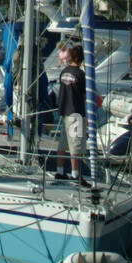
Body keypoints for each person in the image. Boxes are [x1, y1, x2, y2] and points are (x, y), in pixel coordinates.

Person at [54, 44, 86, 182]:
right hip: (76, 113)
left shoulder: (64, 72)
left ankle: (59, 171)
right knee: (75, 145)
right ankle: (75, 175)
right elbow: (84, 94)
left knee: (63, 144)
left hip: (64, 111)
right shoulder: (80, 74)